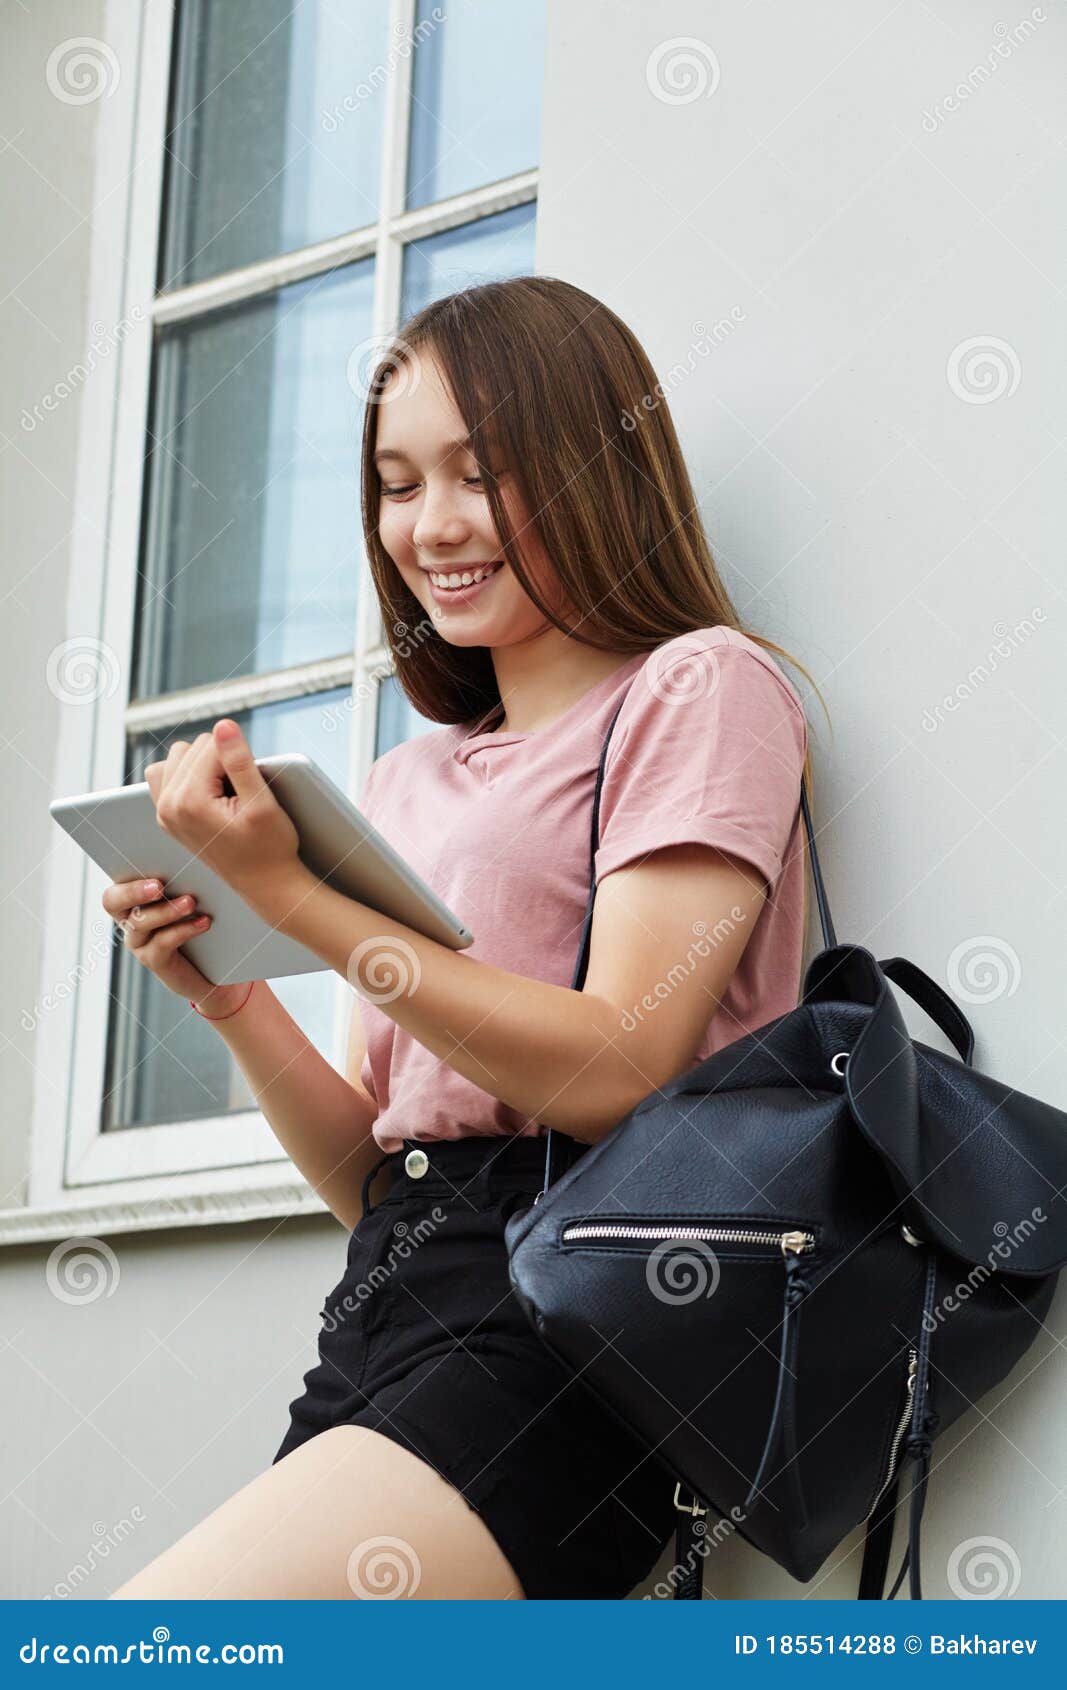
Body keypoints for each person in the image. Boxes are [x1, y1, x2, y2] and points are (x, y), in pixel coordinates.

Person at [106, 276, 823, 1600]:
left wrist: (305, 904)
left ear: (595, 468)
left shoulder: (703, 686)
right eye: (393, 482)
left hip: (571, 1313)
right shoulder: (404, 782)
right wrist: (231, 986)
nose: (428, 524)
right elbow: (375, 1171)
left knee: (167, 1639)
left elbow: (619, 1065)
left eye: (477, 473)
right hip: (396, 1292)